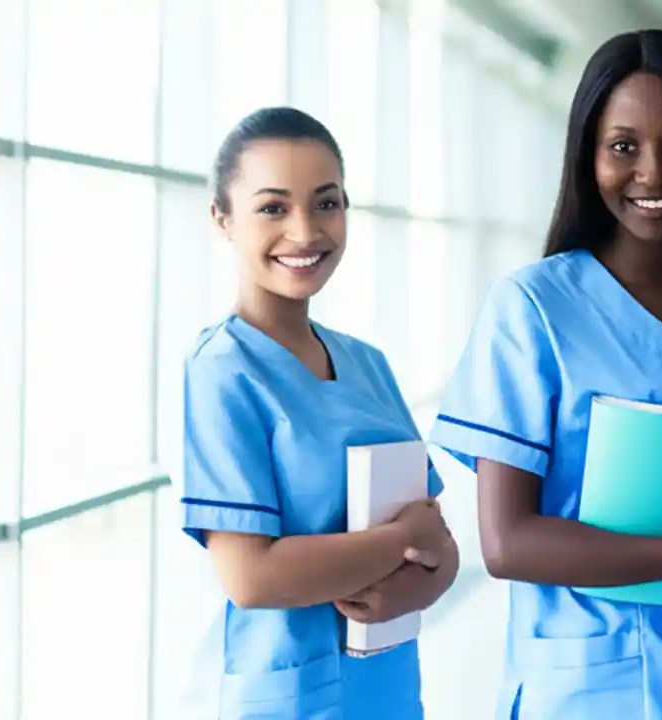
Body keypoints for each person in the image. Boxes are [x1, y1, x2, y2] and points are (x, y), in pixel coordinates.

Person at [429, 28, 662, 719]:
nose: (654, 172)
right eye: (623, 146)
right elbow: (508, 542)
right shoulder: (533, 308)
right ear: (587, 158)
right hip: (586, 685)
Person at [181, 107, 458, 720]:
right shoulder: (223, 370)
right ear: (222, 219)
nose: (305, 232)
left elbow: (441, 546)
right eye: (273, 208)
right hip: (285, 699)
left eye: (326, 203)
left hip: (383, 689)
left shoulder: (368, 364)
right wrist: (400, 542)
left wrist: (417, 578)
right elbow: (253, 578)